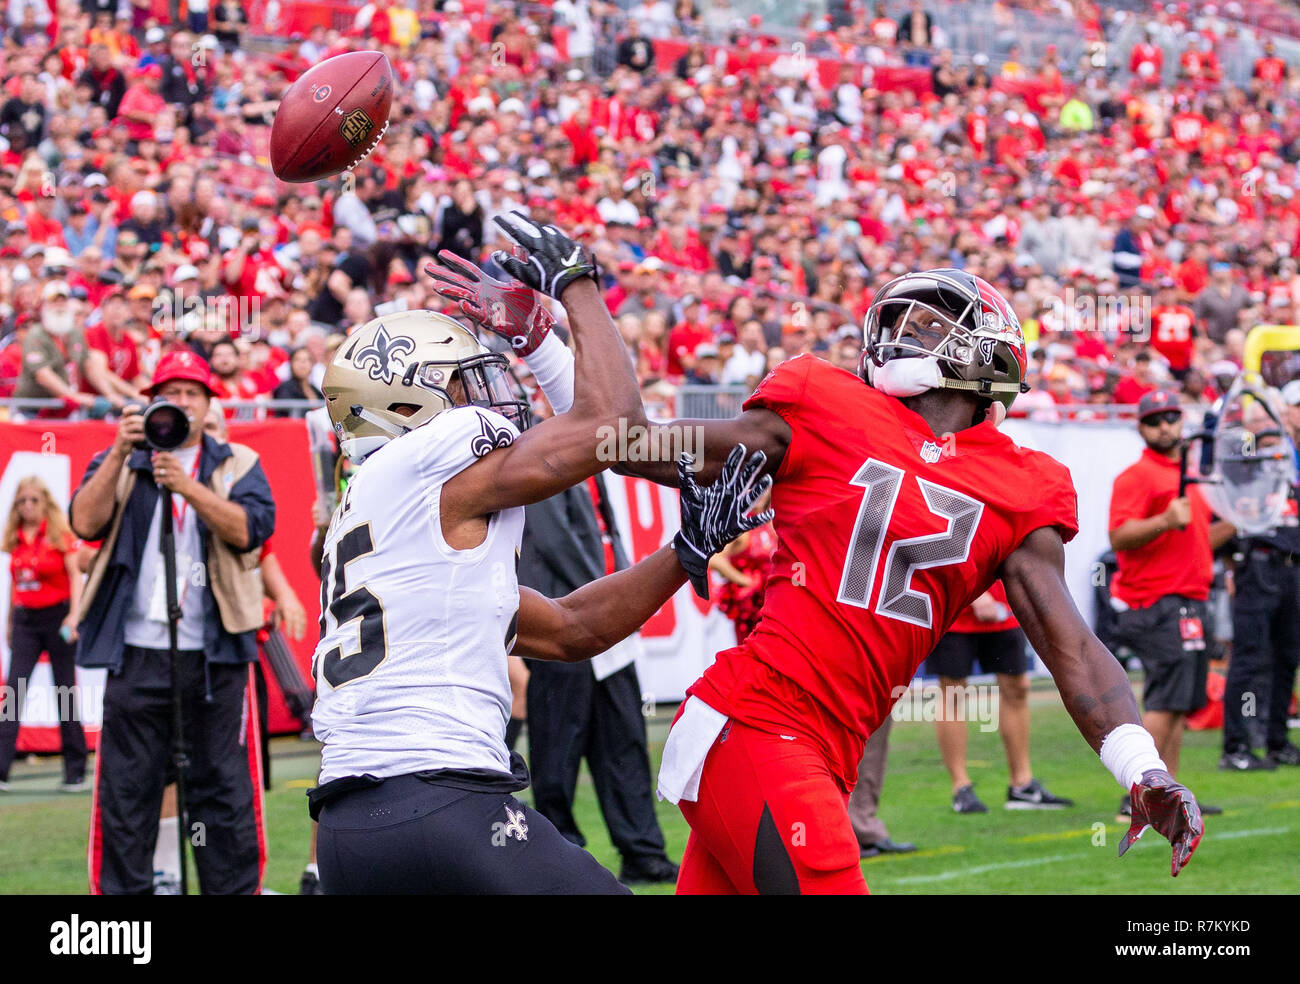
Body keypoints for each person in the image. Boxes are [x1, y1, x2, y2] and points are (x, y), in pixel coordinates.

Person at [463, 262, 1209, 893]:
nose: (901, 334)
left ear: (992, 355)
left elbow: (1070, 644)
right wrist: (549, 343)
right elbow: (634, 444)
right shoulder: (821, 403)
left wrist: (1140, 767)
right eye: (903, 322)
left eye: (929, 326)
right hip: (759, 718)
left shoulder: (1023, 484)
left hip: (828, 745)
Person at [309, 216, 770, 894]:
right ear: (406, 403)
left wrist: (683, 553)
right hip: (442, 804)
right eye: (463, 382)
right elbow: (615, 428)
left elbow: (572, 629)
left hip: (349, 832)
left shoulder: (388, 516)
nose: (489, 394)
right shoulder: (428, 462)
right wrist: (574, 291)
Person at [68, 349, 276, 895]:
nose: (181, 404)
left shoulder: (238, 462)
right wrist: (118, 454)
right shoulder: (126, 459)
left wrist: (190, 488)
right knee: (126, 796)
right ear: (151, 403)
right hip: (136, 655)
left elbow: (251, 530)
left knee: (224, 797)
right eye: (170, 394)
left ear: (209, 405)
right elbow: (84, 523)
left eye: (192, 394)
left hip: (215, 656)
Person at [517, 466, 680, 886]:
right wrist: (607, 605)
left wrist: (622, 598)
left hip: (602, 621)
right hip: (564, 619)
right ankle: (559, 856)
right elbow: (553, 539)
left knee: (624, 740)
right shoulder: (548, 450)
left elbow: (610, 530)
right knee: (558, 748)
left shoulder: (590, 456)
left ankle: (643, 851)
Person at [1108, 389, 1233, 821]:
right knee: (1164, 699)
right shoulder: (1137, 477)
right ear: (1140, 427)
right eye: (1154, 419)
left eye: (1171, 417)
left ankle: (1169, 795)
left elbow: (1199, 541)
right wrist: (1164, 519)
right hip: (1157, 601)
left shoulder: (1190, 476)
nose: (1164, 426)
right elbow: (1119, 537)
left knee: (1179, 701)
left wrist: (1239, 521)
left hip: (1188, 599)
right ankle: (1138, 799)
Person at [928, 581, 1073, 813]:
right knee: (953, 691)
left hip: (1003, 607)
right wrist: (975, 593)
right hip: (955, 606)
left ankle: (1021, 784)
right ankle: (961, 787)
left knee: (1018, 688)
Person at [1219, 382, 1300, 771]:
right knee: (1249, 658)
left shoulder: (1291, 459)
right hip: (1258, 563)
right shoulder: (1243, 459)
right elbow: (1226, 512)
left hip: (1291, 566)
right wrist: (1231, 565)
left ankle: (1277, 740)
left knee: (1287, 657)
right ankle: (1235, 745)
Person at [0, 476, 88, 792]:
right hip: (26, 620)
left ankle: (75, 771)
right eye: (22, 501)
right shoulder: (16, 538)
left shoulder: (57, 534)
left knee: (64, 690)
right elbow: (16, 584)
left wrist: (74, 616)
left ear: (44, 502)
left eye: (33, 500)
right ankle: (1, 770)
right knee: (14, 691)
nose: (27, 506)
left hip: (58, 618)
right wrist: (10, 623)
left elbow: (75, 576)